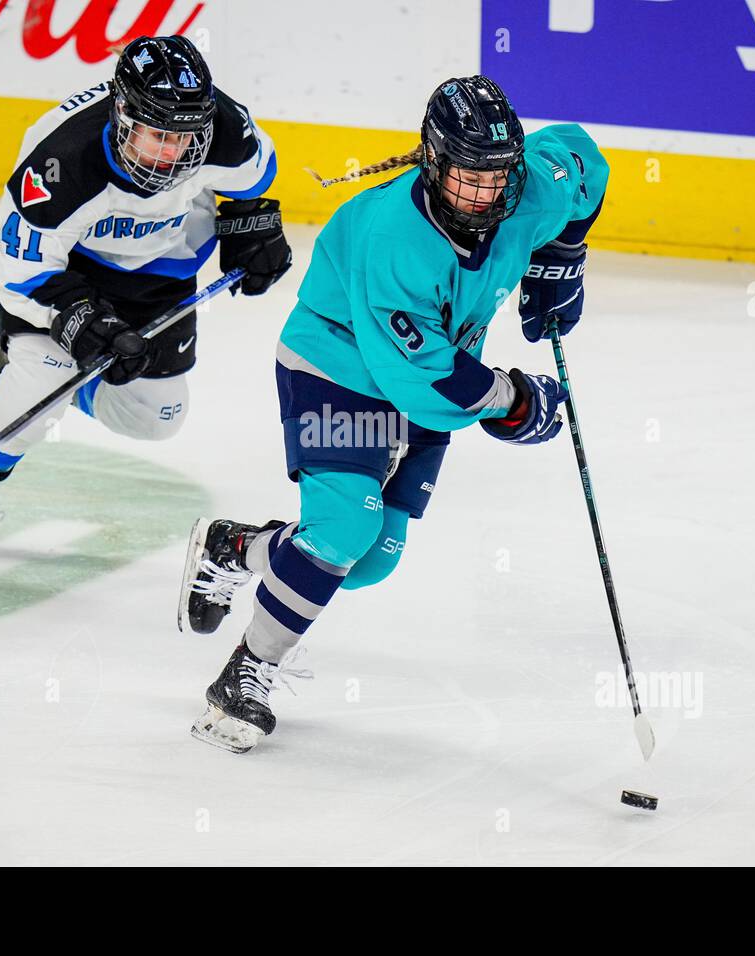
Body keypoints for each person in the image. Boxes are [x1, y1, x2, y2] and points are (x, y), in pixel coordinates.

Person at [176, 75, 609, 752]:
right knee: (345, 527)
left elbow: (583, 158)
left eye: (496, 178)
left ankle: (239, 546)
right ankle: (245, 674)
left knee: (370, 559)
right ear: (432, 161)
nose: (483, 196)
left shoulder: (528, 190)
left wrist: (563, 257)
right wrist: (515, 398)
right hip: (339, 368)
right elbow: (424, 381)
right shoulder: (392, 237)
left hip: (430, 374)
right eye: (466, 178)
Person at [0, 35, 292, 581]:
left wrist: (252, 225)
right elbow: (13, 265)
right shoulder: (61, 161)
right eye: (157, 136)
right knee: (42, 381)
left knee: (158, 418)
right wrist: (84, 323)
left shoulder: (226, 132)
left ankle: (66, 379)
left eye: (186, 139)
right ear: (122, 115)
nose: (172, 154)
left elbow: (253, 183)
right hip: (67, 277)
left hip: (162, 275)